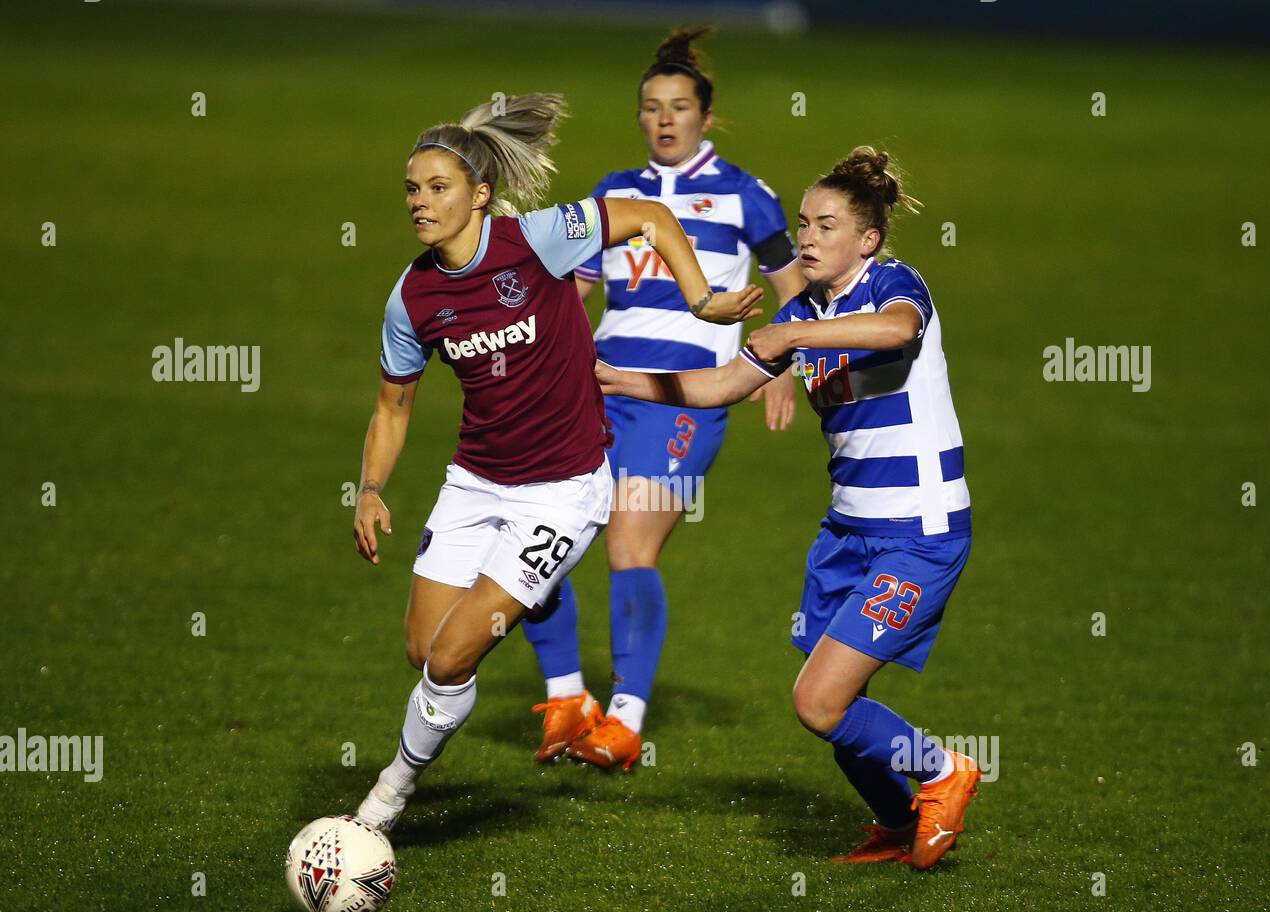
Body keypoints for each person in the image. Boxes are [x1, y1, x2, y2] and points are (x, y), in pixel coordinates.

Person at [351, 93, 761, 831]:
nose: (420, 201)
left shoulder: (537, 238)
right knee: (423, 647)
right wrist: (371, 487)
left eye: (437, 187)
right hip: (475, 482)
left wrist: (700, 300)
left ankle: (386, 797)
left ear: (479, 195)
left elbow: (653, 217)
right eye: (412, 188)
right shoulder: (412, 297)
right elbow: (393, 407)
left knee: (449, 660)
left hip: (564, 491)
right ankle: (550, 663)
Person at [596, 146, 979, 869]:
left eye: (826, 226)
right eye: (803, 223)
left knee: (820, 702)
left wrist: (793, 334)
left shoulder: (894, 285)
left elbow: (897, 332)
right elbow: (715, 388)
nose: (806, 237)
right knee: (832, 697)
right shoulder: (806, 305)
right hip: (849, 532)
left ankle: (943, 771)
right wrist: (620, 379)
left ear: (865, 240)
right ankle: (897, 820)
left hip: (918, 534)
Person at [523, 28, 806, 772]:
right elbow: (571, 295)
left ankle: (624, 721)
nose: (665, 119)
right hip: (599, 390)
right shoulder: (613, 194)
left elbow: (797, 294)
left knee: (628, 544)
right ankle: (565, 700)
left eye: (680, 106)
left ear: (706, 117)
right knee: (532, 538)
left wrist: (780, 365)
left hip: (687, 401)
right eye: (651, 108)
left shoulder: (747, 195)